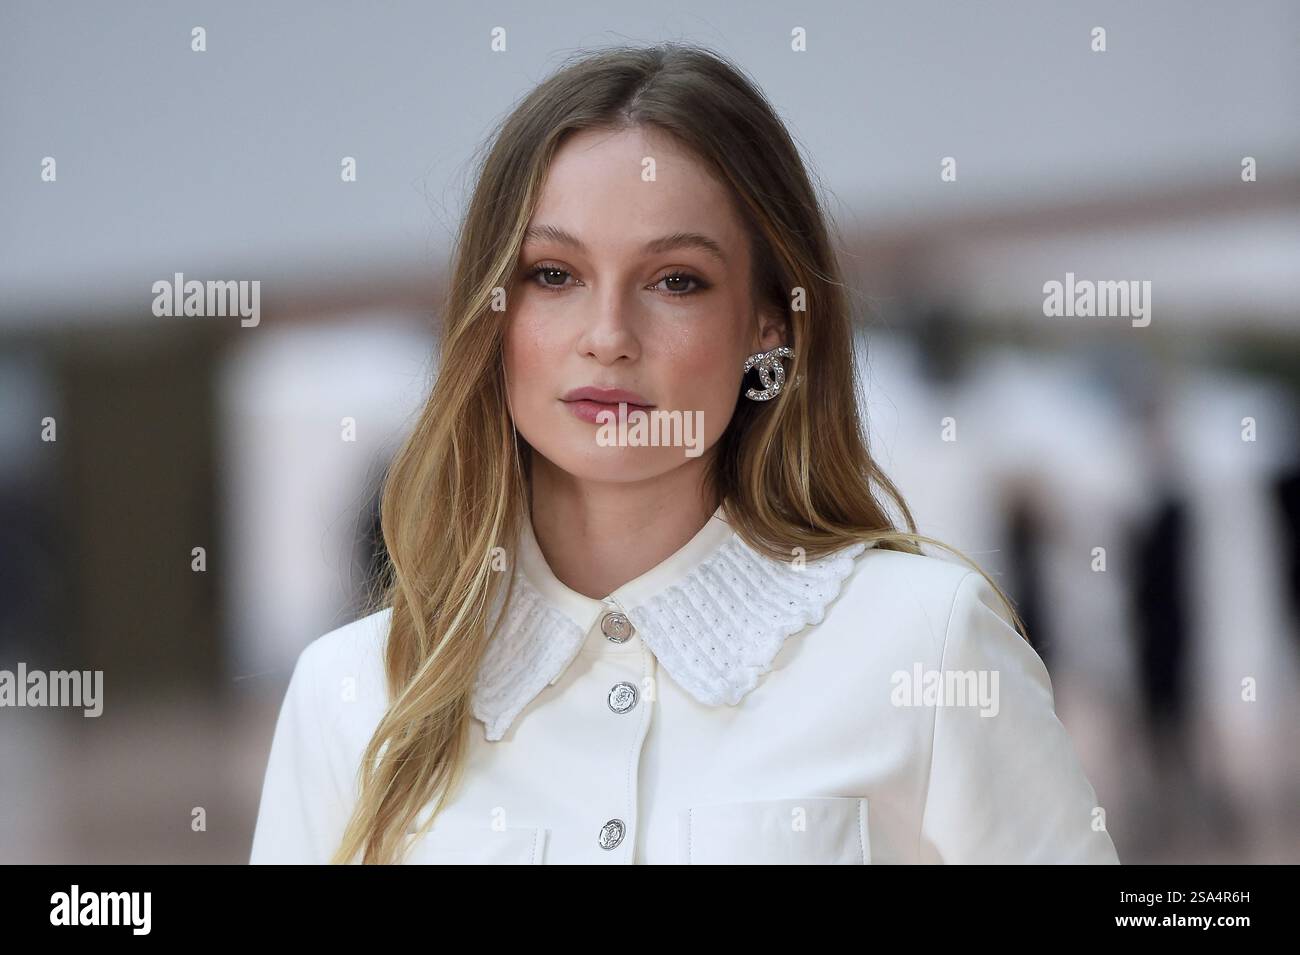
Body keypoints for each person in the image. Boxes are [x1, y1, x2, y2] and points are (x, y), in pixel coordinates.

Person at [249, 43, 1119, 864]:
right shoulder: (349, 695)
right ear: (494, 309)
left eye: (676, 281)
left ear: (767, 323)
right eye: (554, 273)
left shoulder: (927, 641)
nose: (608, 336)